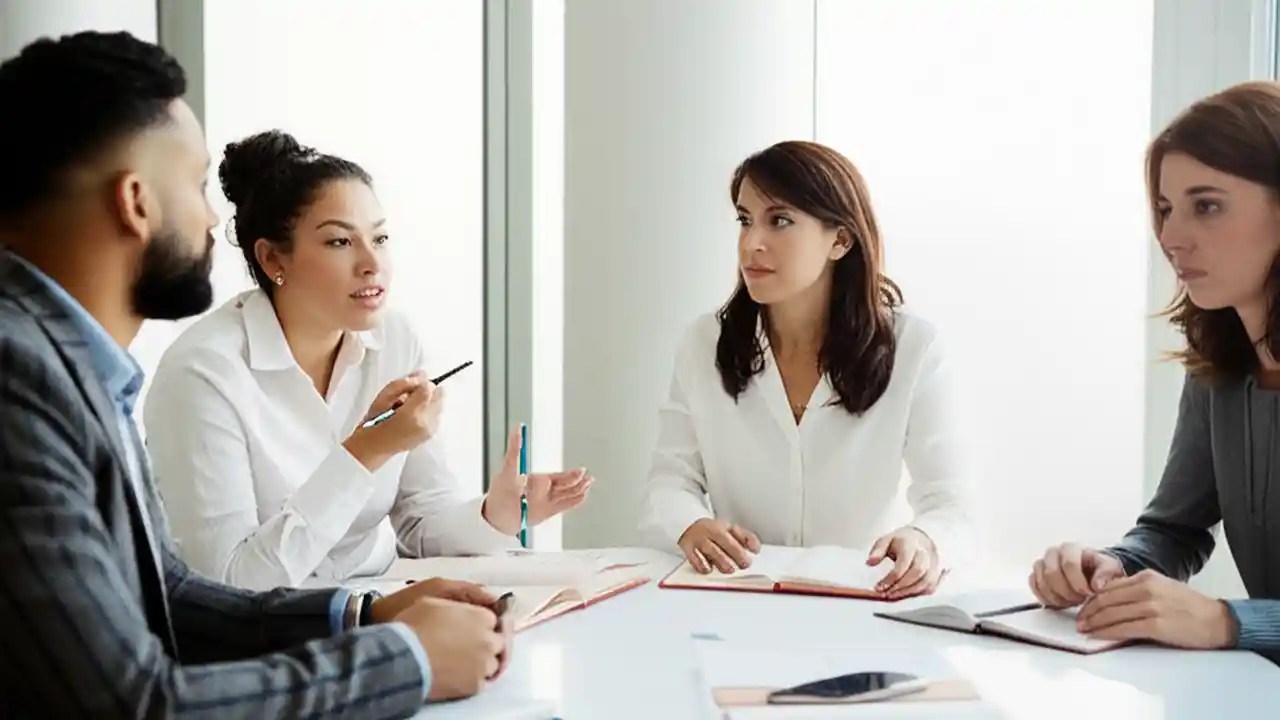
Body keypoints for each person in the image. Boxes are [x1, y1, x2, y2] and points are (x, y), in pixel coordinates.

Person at [0, 31, 510, 717]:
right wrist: (406, 660)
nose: (214, 219)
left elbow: (171, 594)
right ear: (136, 201)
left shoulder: (74, 370)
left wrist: (362, 614)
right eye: (196, 184)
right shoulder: (18, 385)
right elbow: (133, 704)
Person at [141, 128, 593, 591]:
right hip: (265, 639)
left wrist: (496, 512)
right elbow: (229, 583)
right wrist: (366, 451)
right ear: (274, 258)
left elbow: (421, 523)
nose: (371, 263)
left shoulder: (393, 339)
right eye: (340, 242)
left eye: (379, 239)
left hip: (377, 601)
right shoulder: (202, 373)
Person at [638, 140, 973, 599]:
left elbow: (951, 500)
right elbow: (671, 477)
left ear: (840, 239)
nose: (751, 242)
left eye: (780, 221)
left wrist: (924, 540)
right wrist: (690, 524)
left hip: (858, 604)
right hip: (736, 601)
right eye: (744, 219)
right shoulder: (704, 343)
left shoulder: (913, 347)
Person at [1029, 81, 1280, 663]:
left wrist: (1228, 620)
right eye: (1166, 210)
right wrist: (1113, 566)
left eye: (1207, 206)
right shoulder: (1219, 366)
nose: (1169, 238)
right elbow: (1174, 528)